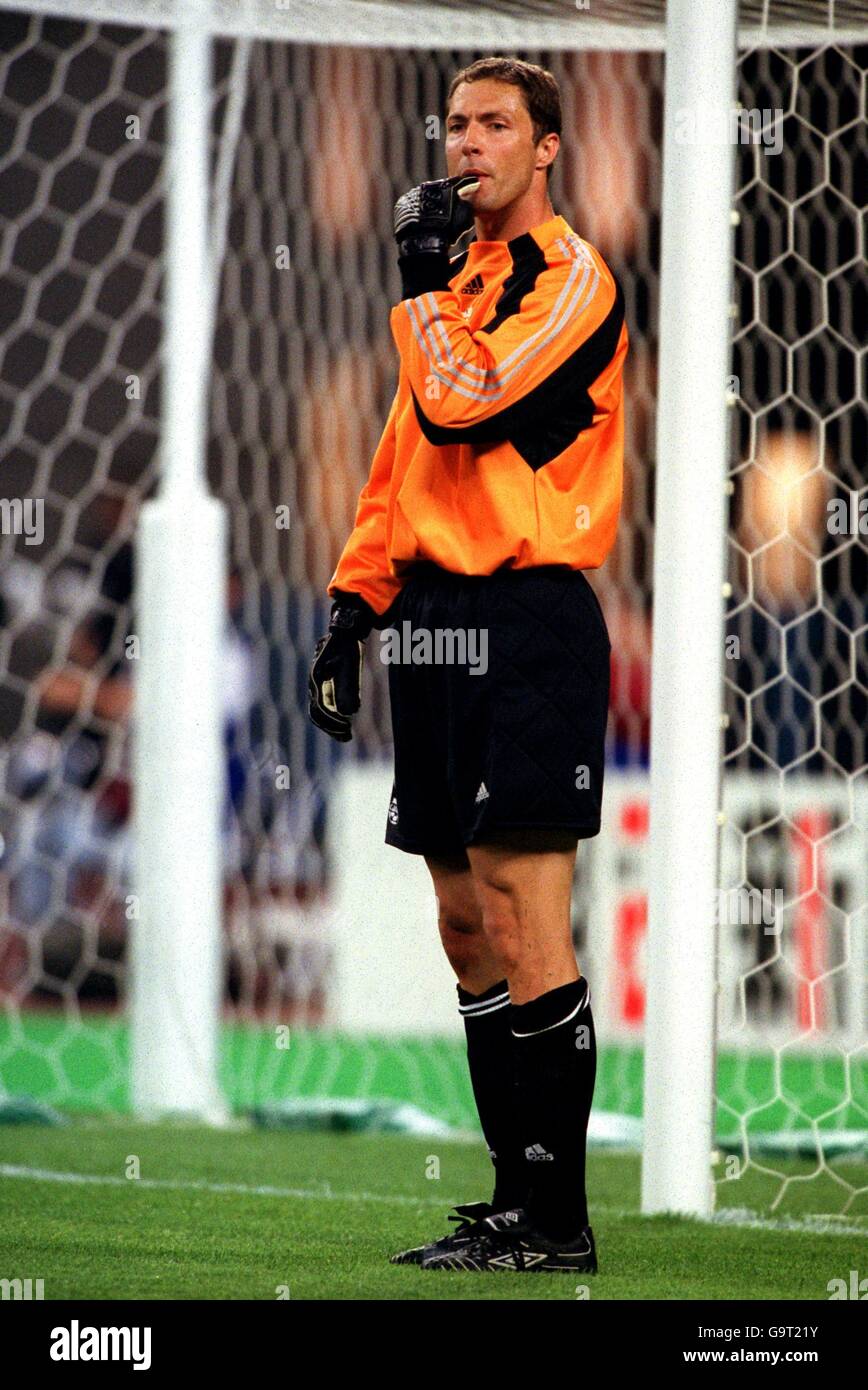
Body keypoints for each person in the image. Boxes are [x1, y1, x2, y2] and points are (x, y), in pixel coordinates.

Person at [309, 57, 628, 1274]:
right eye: (453, 124)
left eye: (496, 124)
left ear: (546, 149)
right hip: (434, 616)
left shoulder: (568, 276)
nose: (466, 144)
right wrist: (350, 609)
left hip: (530, 612)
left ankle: (560, 1224)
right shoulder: (461, 284)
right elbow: (403, 465)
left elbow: (460, 406)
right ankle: (511, 1203)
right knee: (460, 922)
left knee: (520, 909)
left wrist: (416, 291)